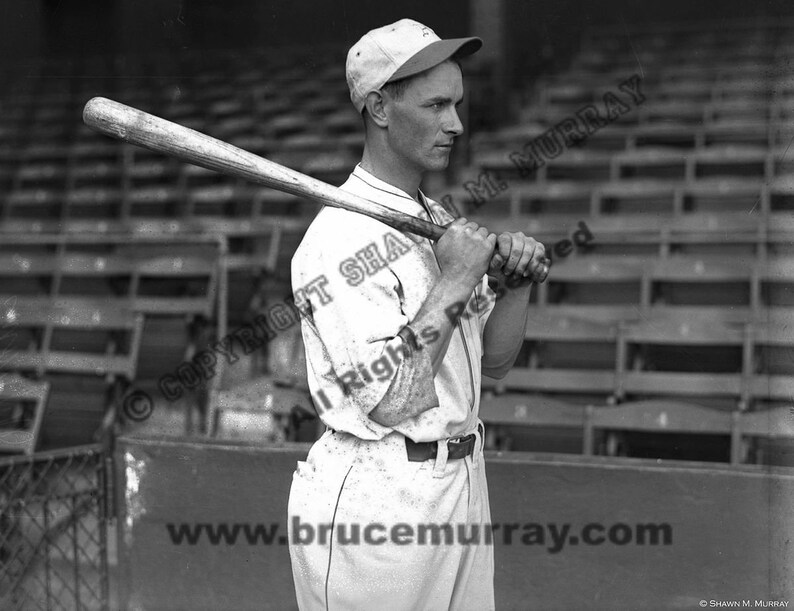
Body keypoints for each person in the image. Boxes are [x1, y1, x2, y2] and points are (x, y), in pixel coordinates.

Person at [287, 18, 548, 611]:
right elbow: (392, 401)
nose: (455, 123)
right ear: (380, 108)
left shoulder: (437, 219)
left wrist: (514, 286)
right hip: (378, 499)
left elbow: (496, 364)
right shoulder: (338, 241)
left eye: (456, 104)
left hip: (460, 478)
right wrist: (456, 278)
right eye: (435, 105)